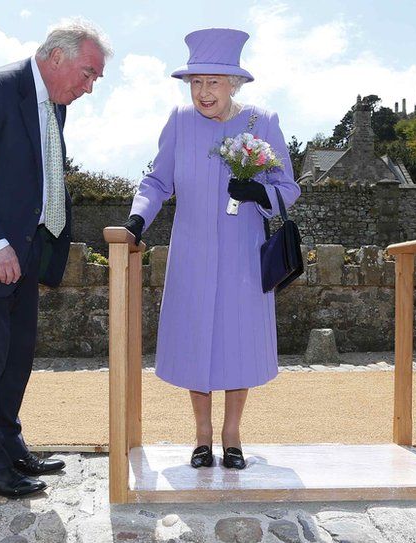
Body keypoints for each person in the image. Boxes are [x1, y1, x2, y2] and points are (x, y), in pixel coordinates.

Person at [0, 19, 112, 498]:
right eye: (88, 73)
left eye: (95, 78)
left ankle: (9, 446)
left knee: (15, 359)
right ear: (57, 57)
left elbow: (40, 176)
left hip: (25, 254)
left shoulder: (54, 106)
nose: (89, 87)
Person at [122, 28, 300, 469]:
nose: (203, 92)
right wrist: (137, 218)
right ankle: (202, 436)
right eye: (196, 82)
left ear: (234, 84)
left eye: (214, 82)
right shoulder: (179, 121)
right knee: (197, 339)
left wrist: (260, 194)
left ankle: (232, 434)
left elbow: (288, 186)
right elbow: (157, 181)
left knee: (236, 344)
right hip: (192, 253)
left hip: (243, 254)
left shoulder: (263, 121)